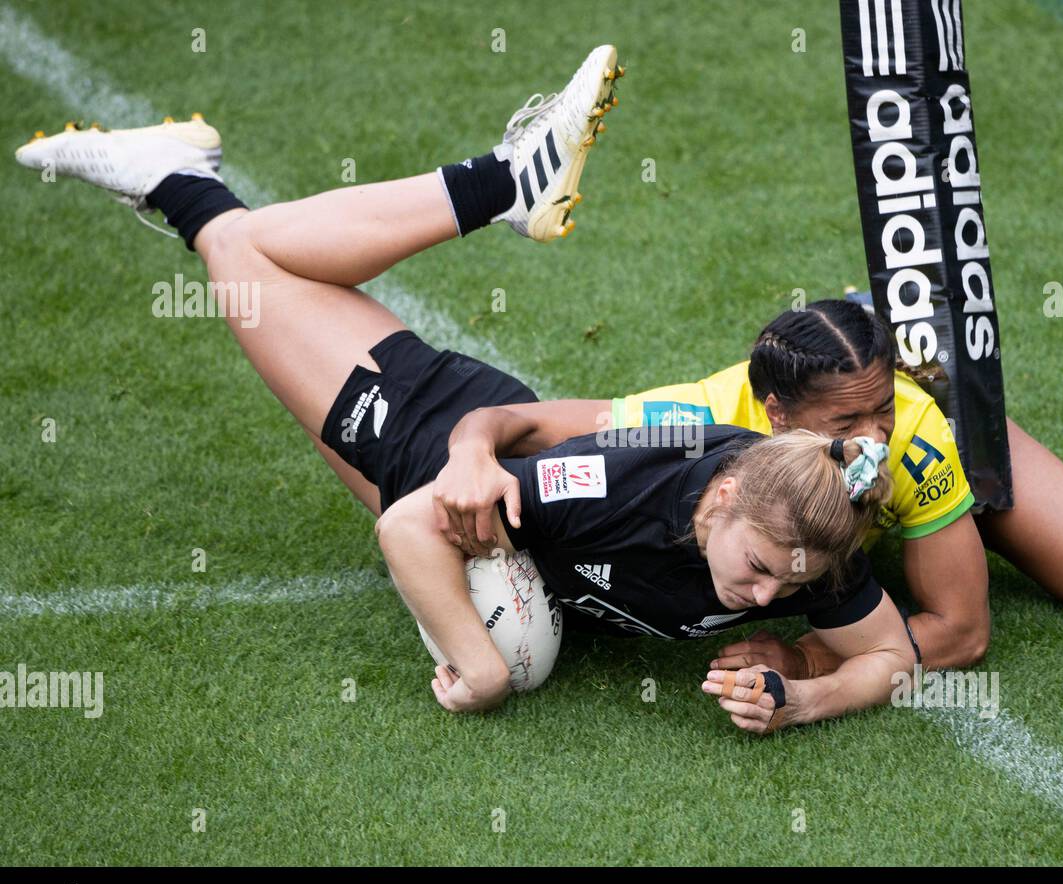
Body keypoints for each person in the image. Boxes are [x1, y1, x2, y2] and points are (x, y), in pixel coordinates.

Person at [15, 45, 919, 734]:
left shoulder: (814, 530)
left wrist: (804, 696)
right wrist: (480, 669)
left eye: (784, 582)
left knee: (245, 251)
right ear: (719, 498)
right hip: (415, 433)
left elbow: (892, 656)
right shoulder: (621, 490)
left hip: (468, 431)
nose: (762, 600)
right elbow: (410, 523)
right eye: (759, 571)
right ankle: (495, 183)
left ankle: (180, 177)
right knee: (242, 265)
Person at [433, 303, 1063, 672]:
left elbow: (962, 632)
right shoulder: (706, 419)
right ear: (776, 413)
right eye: (849, 423)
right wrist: (472, 443)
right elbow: (535, 425)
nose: (874, 441)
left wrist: (807, 658)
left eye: (881, 412)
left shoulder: (915, 440)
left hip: (961, 441)